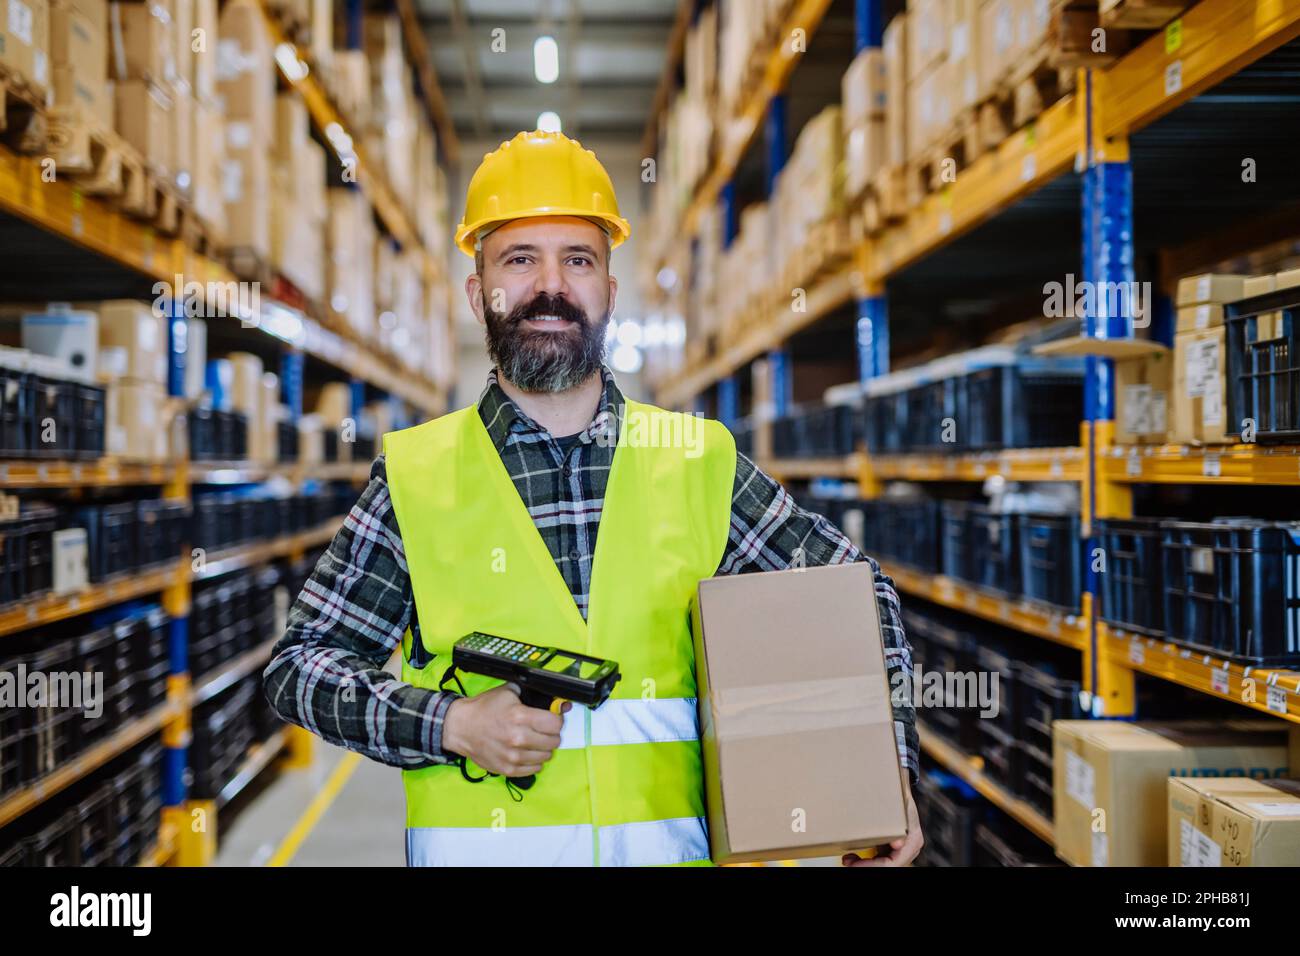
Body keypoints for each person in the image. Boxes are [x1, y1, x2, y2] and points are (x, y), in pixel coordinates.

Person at [264, 129, 923, 867]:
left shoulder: (699, 461)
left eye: (577, 259)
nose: (551, 286)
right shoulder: (417, 475)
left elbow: (857, 598)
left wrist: (884, 774)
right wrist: (449, 723)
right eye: (521, 259)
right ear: (480, 293)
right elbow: (301, 666)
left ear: (608, 293)